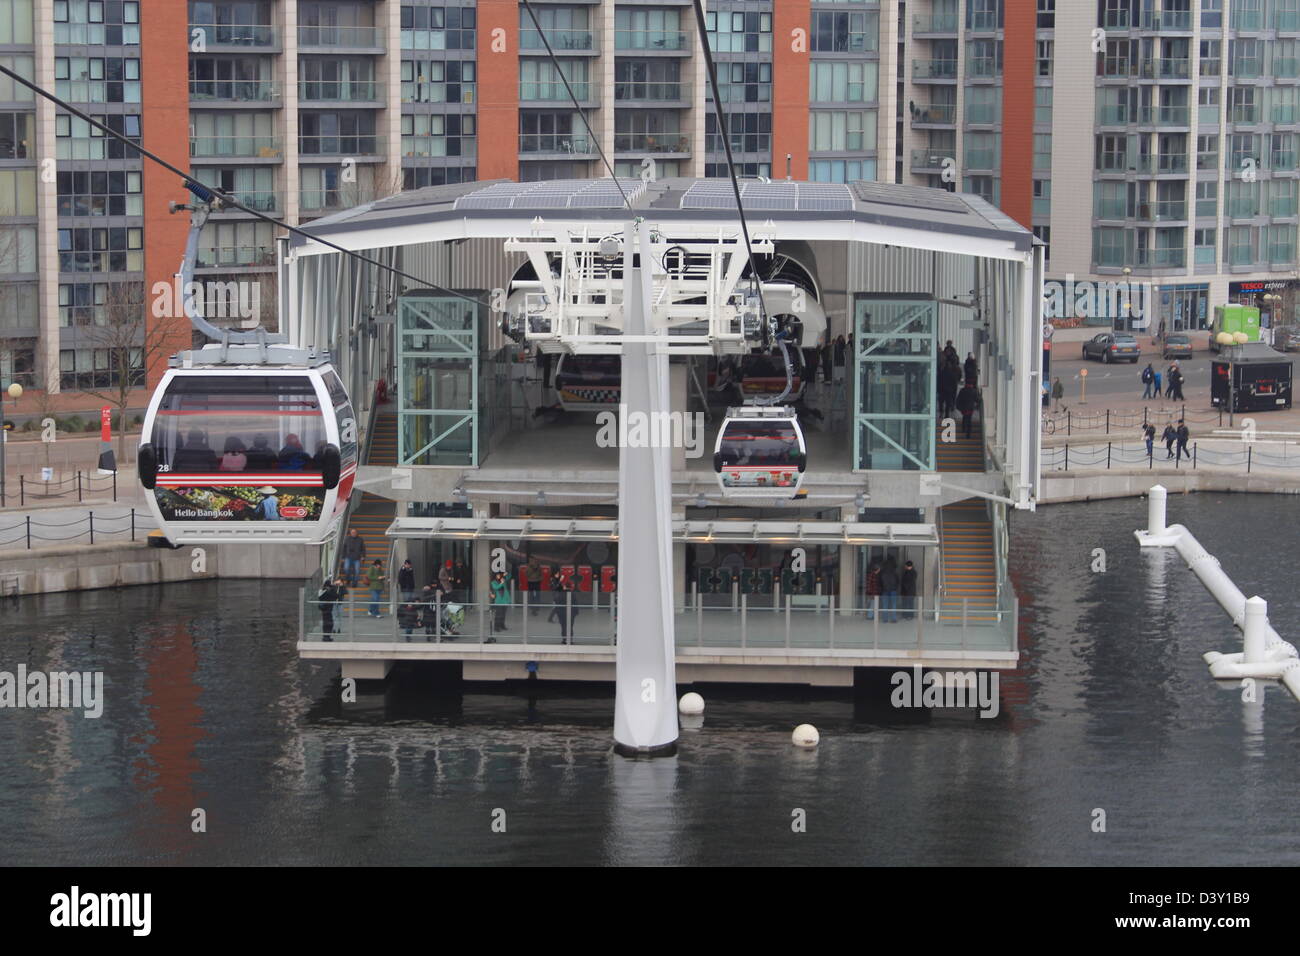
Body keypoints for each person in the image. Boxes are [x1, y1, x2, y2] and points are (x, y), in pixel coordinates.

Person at [550, 574, 579, 643]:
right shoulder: (572, 594)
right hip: (571, 613)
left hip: (561, 613)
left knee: (563, 626)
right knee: (570, 626)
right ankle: (570, 640)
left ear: (564, 587)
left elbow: (556, 599)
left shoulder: (560, 594)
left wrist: (558, 582)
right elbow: (575, 604)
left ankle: (564, 639)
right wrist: (575, 613)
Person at [879, 558, 900, 624]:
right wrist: (896, 588)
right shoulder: (895, 573)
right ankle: (893, 619)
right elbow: (898, 582)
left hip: (884, 591)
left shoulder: (882, 573)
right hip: (893, 590)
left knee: (885, 605)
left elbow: (880, 582)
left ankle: (885, 619)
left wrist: (882, 589)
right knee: (893, 605)